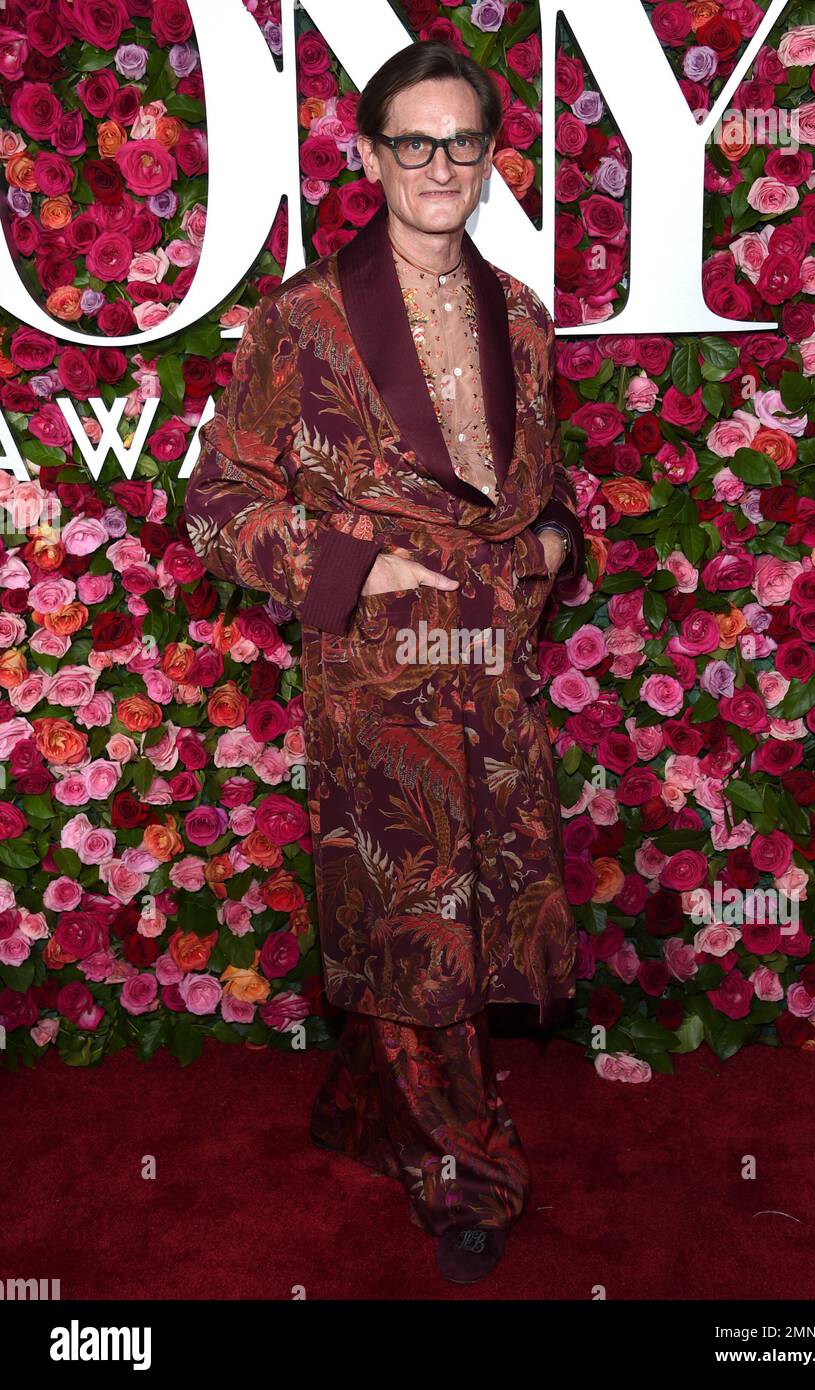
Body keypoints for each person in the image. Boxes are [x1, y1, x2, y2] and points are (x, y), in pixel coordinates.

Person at [184, 38, 584, 1285]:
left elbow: (548, 487)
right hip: (381, 670)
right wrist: (359, 567)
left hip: (494, 666)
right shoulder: (299, 320)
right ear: (369, 155)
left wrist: (561, 538)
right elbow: (214, 501)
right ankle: (469, 1174)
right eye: (414, 141)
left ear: (489, 157)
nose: (439, 165)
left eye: (463, 141)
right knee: (419, 917)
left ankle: (370, 1103)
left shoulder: (520, 310)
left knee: (472, 904)